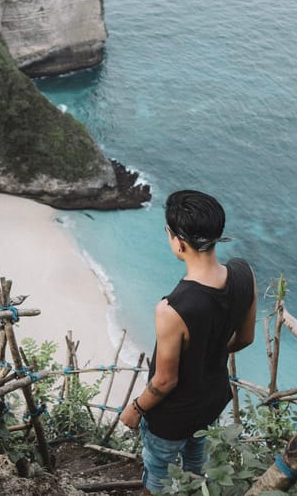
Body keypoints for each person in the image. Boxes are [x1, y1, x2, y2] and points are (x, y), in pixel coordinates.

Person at [120, 189, 257, 493]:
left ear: (179, 243)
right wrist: (209, 351)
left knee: (158, 475)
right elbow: (246, 338)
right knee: (197, 468)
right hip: (211, 402)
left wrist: (135, 409)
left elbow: (165, 381)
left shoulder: (172, 308)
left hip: (172, 417)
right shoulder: (244, 274)